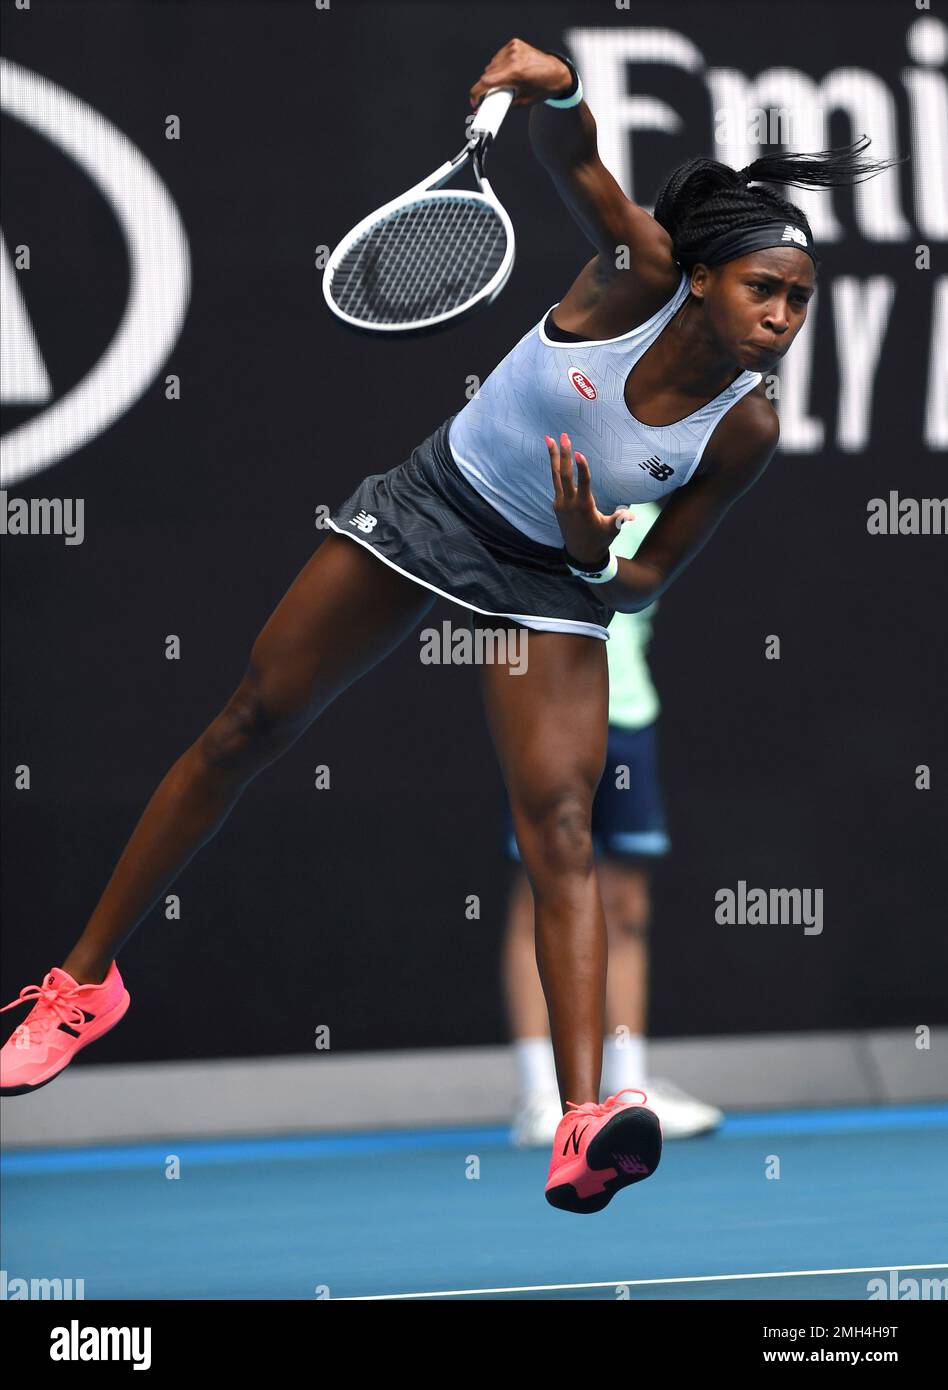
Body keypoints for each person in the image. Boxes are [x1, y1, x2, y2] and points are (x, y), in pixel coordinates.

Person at [0, 39, 900, 1214]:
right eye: (764, 290)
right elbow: (570, 153)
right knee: (246, 724)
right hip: (433, 504)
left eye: (799, 301)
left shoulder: (746, 432)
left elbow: (647, 579)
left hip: (552, 578)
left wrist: (593, 555)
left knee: (563, 825)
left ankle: (583, 1121)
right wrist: (559, 80)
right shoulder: (634, 271)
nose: (784, 318)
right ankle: (80, 982)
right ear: (701, 277)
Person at [504, 502, 722, 1147]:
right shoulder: (542, 492)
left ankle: (628, 1090)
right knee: (538, 902)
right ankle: (540, 1098)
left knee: (624, 908)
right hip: (546, 718)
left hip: (628, 716)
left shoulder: (667, 509)